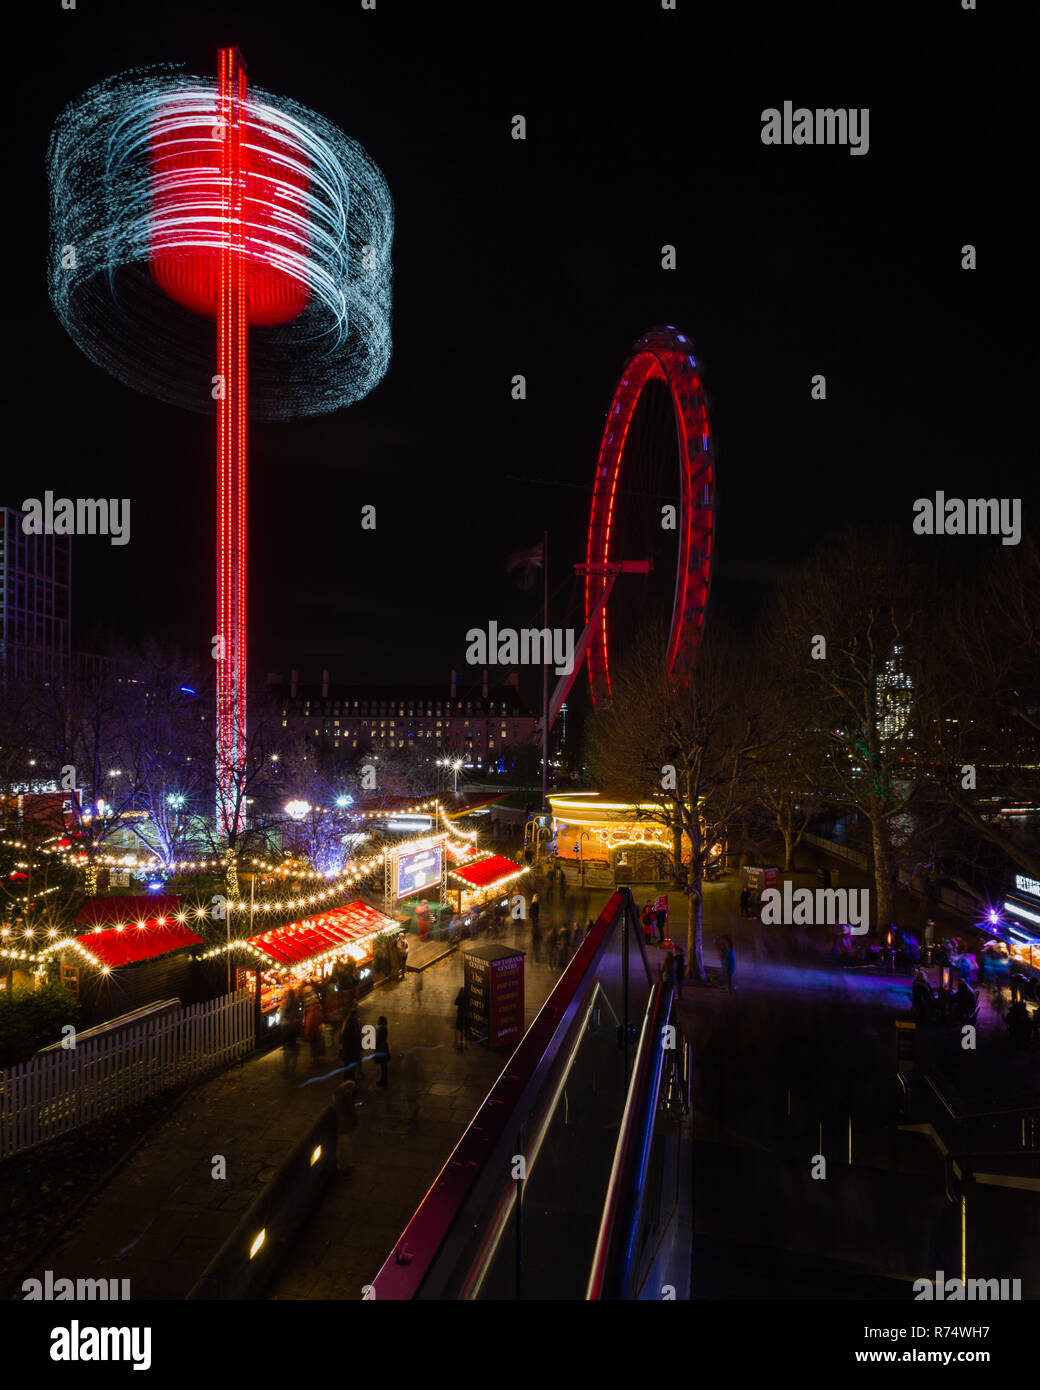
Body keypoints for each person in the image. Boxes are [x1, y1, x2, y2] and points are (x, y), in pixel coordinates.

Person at [334, 1079, 360, 1173]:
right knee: (346, 1147)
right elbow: (352, 1111)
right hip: (345, 1127)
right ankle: (345, 1166)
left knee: (343, 1147)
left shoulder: (338, 1098)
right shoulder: (345, 1099)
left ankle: (342, 1165)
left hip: (342, 1126)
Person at [339, 1007, 363, 1083]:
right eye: (356, 1015)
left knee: (348, 1067)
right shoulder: (352, 1026)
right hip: (351, 1051)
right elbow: (355, 1038)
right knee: (351, 1068)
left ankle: (349, 1080)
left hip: (348, 1051)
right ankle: (349, 1082)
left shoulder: (346, 1024)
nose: (357, 1017)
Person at [375, 1015, 390, 1087]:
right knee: (383, 1066)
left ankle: (384, 1082)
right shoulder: (382, 1029)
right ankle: (382, 1081)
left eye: (378, 1020)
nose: (377, 1021)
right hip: (382, 1049)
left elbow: (380, 1040)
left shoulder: (382, 1029)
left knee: (383, 1066)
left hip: (382, 1050)